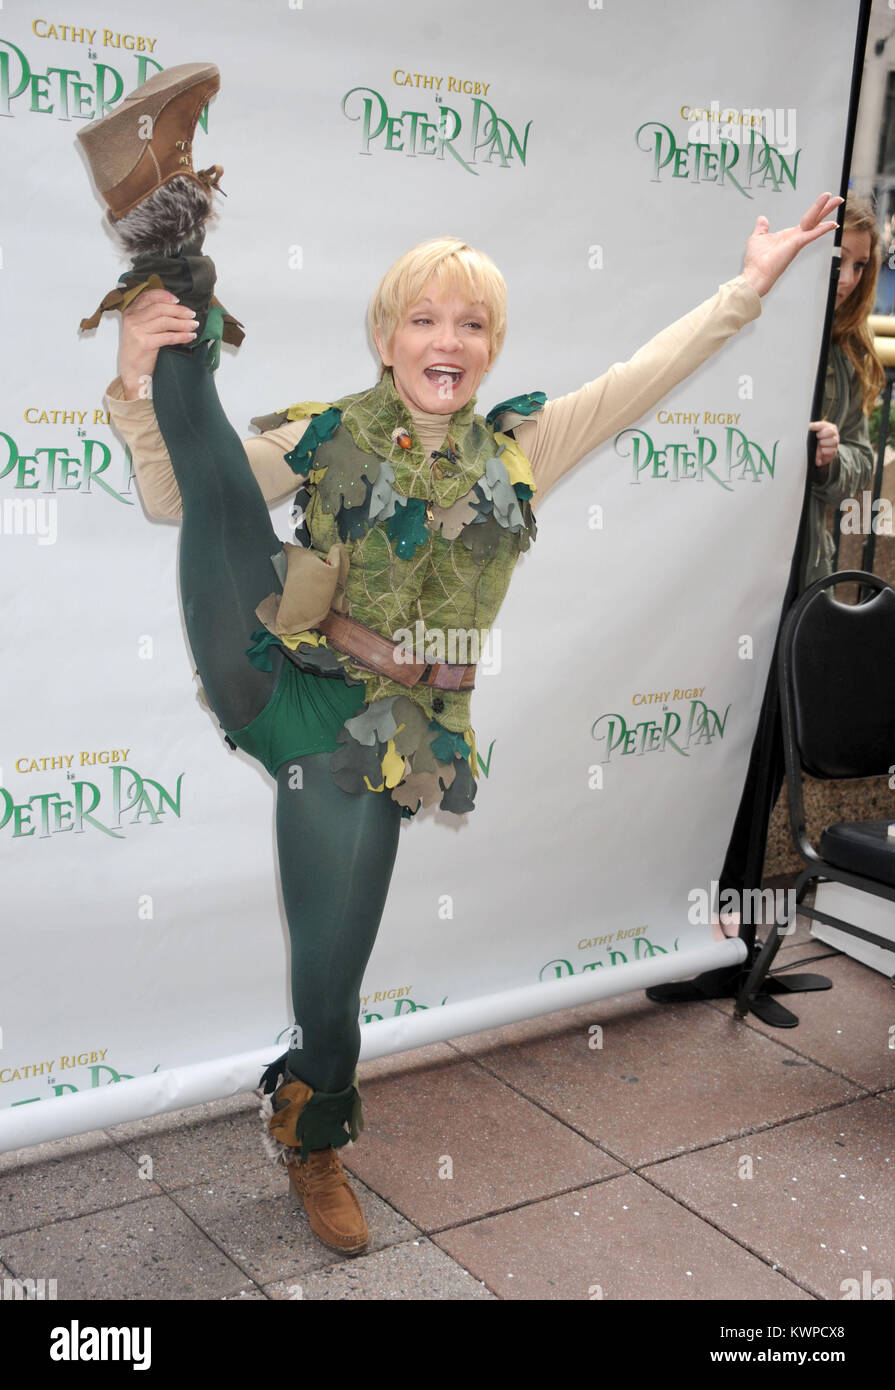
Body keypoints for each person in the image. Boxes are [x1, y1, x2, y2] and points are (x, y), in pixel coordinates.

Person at [77, 62, 842, 1258]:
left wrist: (743, 291)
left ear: (490, 347)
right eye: (425, 317)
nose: (449, 337)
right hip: (273, 668)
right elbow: (186, 493)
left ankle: (308, 1120)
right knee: (229, 472)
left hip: (387, 736)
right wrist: (137, 379)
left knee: (332, 975)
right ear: (387, 338)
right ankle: (163, 227)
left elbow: (647, 378)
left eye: (471, 321)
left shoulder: (526, 442)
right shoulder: (330, 429)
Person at [802, 194, 883, 591]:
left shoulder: (847, 347)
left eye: (861, 265)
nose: (849, 279)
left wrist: (828, 460)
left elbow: (863, 458)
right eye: (841, 259)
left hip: (806, 562)